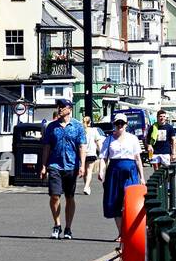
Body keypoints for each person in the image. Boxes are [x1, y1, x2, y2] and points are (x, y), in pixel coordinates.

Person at [38, 98, 87, 240]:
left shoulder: (77, 126)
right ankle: (57, 224)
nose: (59, 109)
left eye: (62, 106)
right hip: (55, 165)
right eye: (58, 106)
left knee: (70, 197)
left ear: (69, 109)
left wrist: (82, 165)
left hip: (71, 165)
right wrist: (43, 165)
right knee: (54, 196)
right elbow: (46, 147)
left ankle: (68, 228)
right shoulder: (51, 127)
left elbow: (82, 146)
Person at [97, 115, 144, 247]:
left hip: (130, 171)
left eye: (122, 123)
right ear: (114, 124)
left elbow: (138, 158)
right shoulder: (109, 139)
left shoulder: (133, 139)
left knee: (129, 201)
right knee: (115, 202)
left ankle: (130, 231)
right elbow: (103, 158)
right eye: (117, 123)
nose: (120, 125)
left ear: (126, 124)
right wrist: (101, 171)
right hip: (114, 172)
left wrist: (142, 177)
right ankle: (121, 232)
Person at [82, 115, 101, 195]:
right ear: (90, 122)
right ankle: (87, 187)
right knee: (89, 171)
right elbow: (98, 142)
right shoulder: (94, 131)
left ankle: (87, 186)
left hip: (83, 153)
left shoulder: (82, 131)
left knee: (84, 172)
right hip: (91, 153)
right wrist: (101, 152)